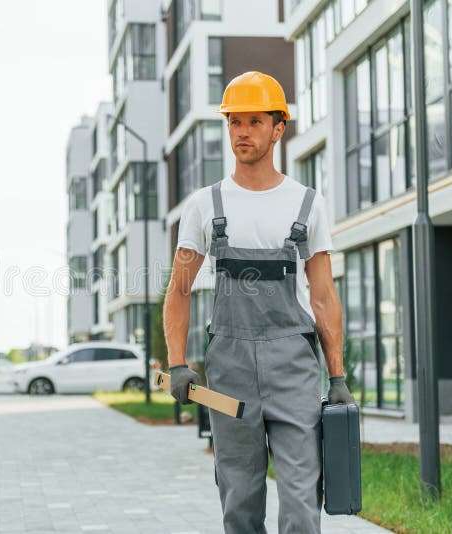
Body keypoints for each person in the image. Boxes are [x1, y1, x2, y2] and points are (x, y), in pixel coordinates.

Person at [162, 71, 355, 533]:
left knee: (301, 503)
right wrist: (176, 363)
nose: (241, 131)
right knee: (240, 502)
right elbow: (179, 289)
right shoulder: (205, 205)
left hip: (293, 368)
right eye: (234, 121)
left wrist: (337, 375)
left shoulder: (307, 204)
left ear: (278, 127)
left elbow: (324, 296)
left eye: (253, 121)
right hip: (229, 374)